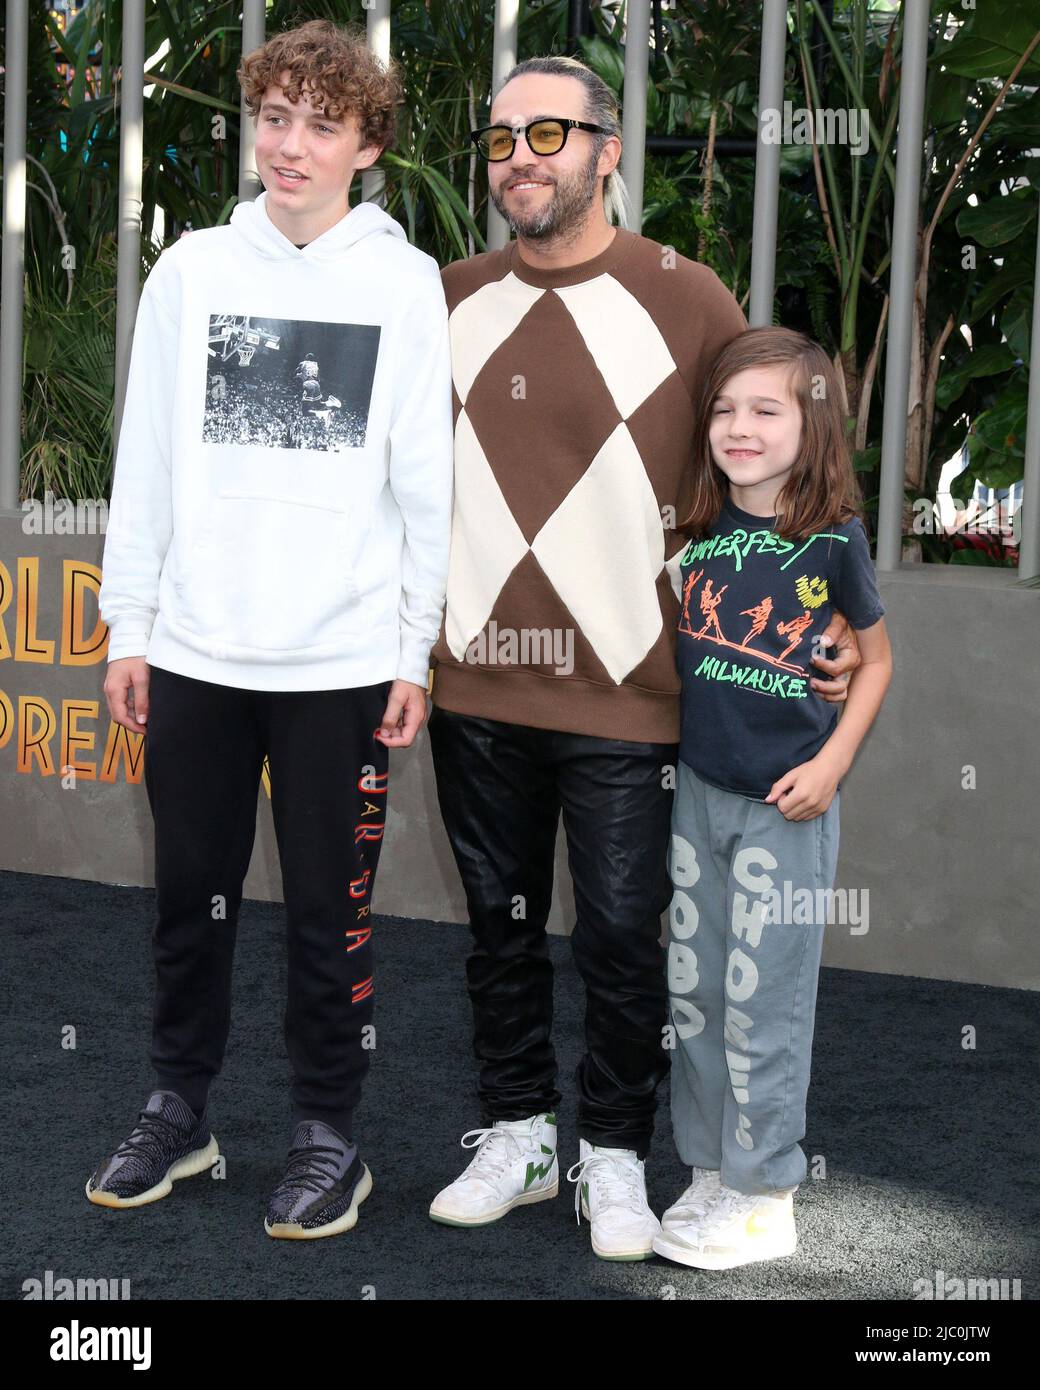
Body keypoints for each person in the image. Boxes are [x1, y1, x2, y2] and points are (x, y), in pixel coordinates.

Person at [425, 55, 863, 1260]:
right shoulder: (447, 299)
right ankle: (516, 1129)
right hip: (474, 680)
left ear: (609, 150)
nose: (520, 154)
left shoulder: (689, 298)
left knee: (623, 936)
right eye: (502, 135)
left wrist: (819, 617)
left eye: (550, 132)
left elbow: (762, 463)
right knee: (496, 927)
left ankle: (611, 1152)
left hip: (633, 691)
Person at [86, 19, 453, 1240]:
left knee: (323, 913)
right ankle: (178, 1109)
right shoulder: (192, 269)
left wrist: (411, 650)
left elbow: (423, 484)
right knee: (187, 896)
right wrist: (125, 625)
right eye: (274, 116)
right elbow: (144, 464)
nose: (289, 145)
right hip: (192, 652)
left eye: (320, 122)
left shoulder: (401, 283)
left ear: (366, 144)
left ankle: (325, 1135)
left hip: (341, 667)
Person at [652, 326, 892, 1270]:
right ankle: (711, 1167)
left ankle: (767, 1193)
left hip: (785, 808)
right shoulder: (701, 530)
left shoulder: (834, 543)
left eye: (765, 409)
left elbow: (875, 661)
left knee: (766, 1001)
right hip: (698, 797)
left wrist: (833, 763)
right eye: (723, 409)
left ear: (813, 422)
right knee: (699, 993)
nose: (738, 427)